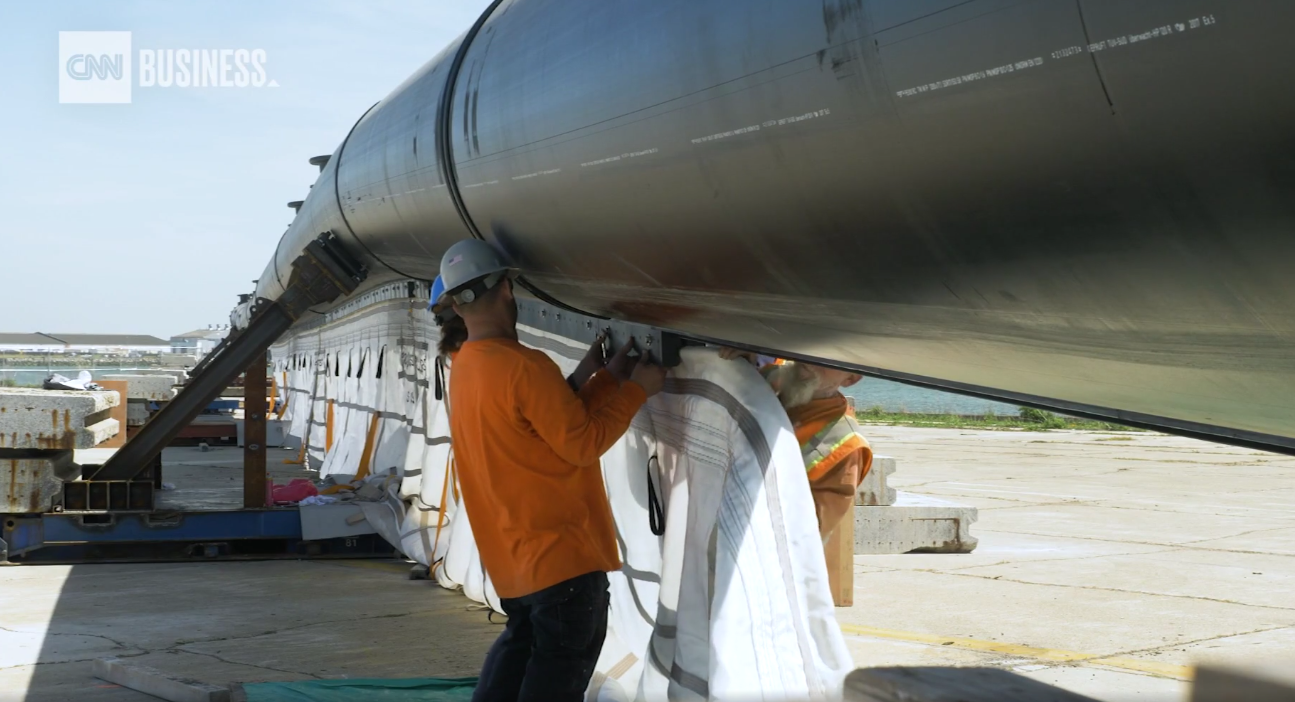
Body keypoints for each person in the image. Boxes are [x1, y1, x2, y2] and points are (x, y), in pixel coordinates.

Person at [438, 239, 667, 702]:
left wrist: (602, 379)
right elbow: (582, 442)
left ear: (457, 307)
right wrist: (637, 390)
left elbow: (537, 424)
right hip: (562, 560)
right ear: (508, 288)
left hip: (514, 563)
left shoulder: (465, 367)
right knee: (555, 676)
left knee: (519, 652)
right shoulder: (525, 365)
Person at [722, 350, 873, 542]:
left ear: (851, 378)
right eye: (810, 346)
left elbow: (805, 534)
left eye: (830, 357)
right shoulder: (769, 378)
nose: (810, 358)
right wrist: (739, 360)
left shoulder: (846, 444)